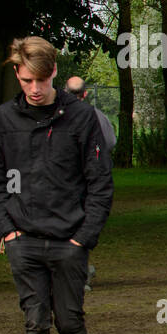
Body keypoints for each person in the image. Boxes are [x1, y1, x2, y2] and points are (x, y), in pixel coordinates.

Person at [0, 36, 113, 334]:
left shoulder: (82, 118)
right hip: (23, 240)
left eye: (41, 80)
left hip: (70, 242)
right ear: (17, 76)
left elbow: (100, 184)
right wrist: (7, 231)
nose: (35, 89)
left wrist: (83, 239)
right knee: (35, 322)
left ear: (54, 71)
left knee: (69, 322)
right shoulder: (4, 120)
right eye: (26, 81)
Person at [64, 76, 115, 292]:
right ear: (85, 94)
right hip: (90, 182)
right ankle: (79, 272)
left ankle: (76, 273)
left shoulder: (56, 116)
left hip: (65, 183)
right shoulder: (97, 116)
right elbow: (110, 142)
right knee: (83, 225)